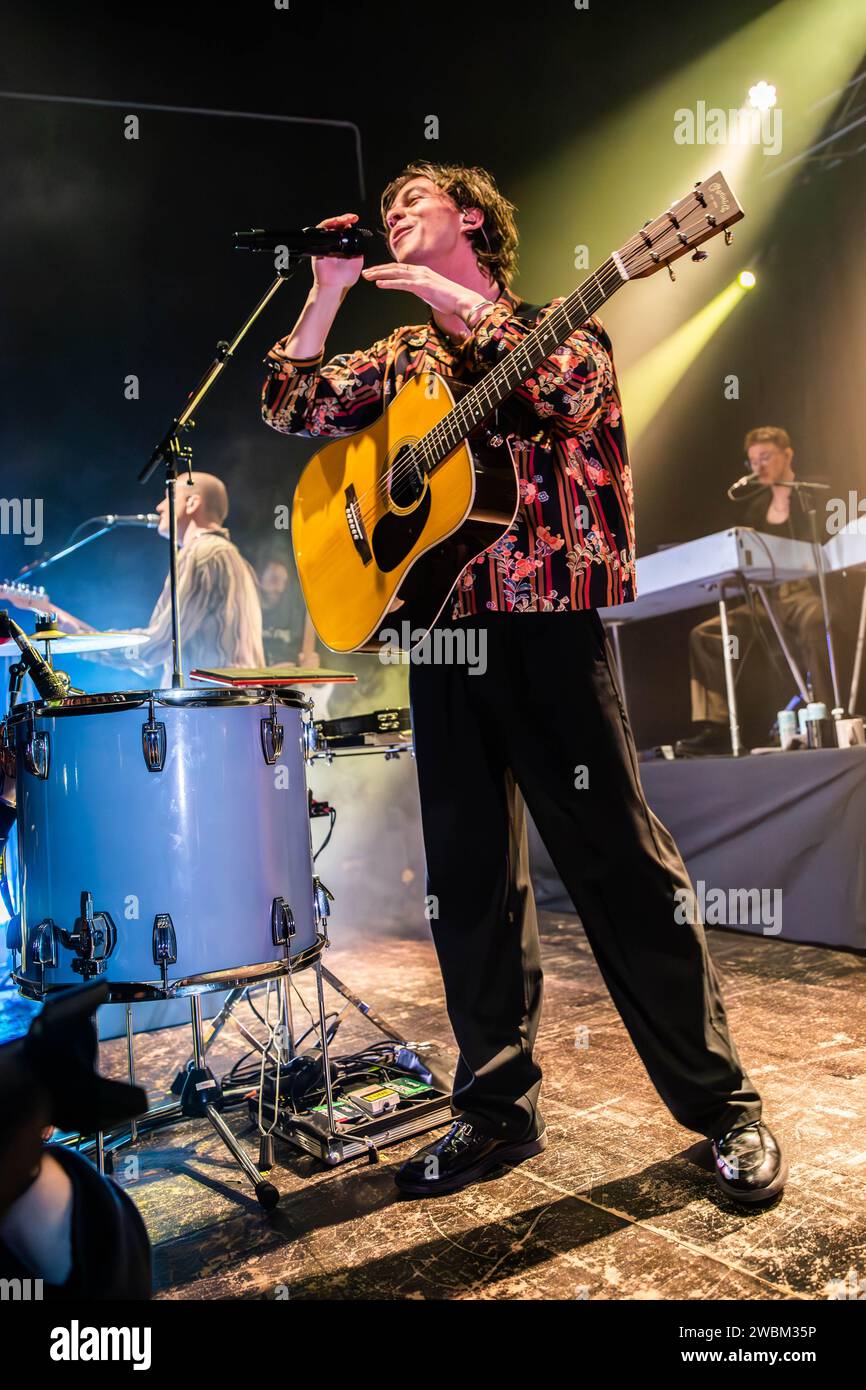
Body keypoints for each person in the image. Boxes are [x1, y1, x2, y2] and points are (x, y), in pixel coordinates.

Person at [261, 161, 786, 1205]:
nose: (392, 212)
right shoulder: (404, 354)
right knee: (467, 884)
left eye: (415, 199)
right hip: (440, 631)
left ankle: (722, 1106)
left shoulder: (556, 322)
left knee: (620, 868)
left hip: (544, 623)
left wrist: (452, 302)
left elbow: (565, 392)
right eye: (387, 205)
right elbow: (291, 403)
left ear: (468, 218)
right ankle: (494, 1110)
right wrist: (323, 292)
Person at [676, 427, 838, 757]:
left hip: (804, 592)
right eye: (752, 461)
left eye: (766, 458)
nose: (758, 468)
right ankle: (718, 727)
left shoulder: (813, 496)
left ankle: (828, 715)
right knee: (707, 634)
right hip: (767, 599)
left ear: (787, 455)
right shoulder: (754, 507)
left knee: (815, 618)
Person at [73, 471, 265, 685]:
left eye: (168, 497)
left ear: (192, 503)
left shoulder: (199, 554)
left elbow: (159, 644)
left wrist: (86, 643)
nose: (159, 507)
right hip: (243, 707)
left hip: (206, 709)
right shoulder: (238, 560)